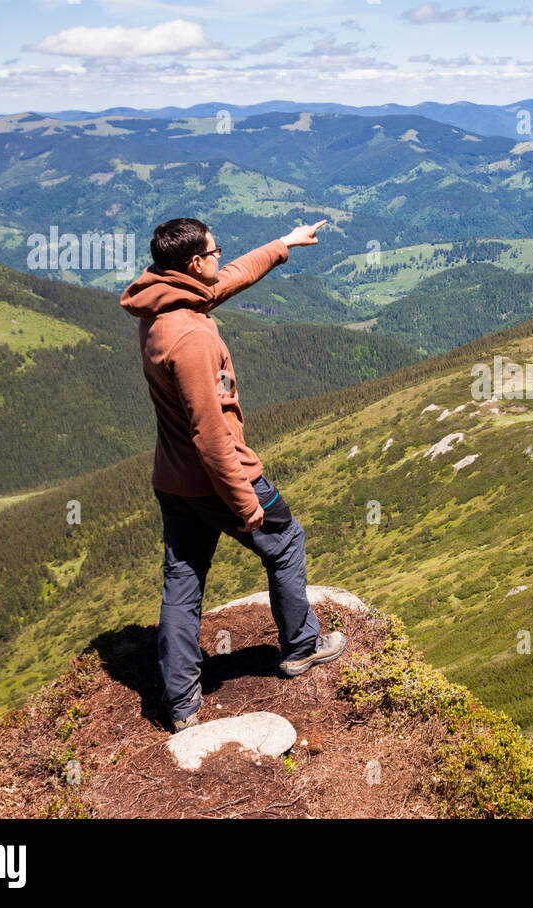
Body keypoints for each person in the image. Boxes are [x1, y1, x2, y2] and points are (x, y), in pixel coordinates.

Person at [120, 217, 346, 732]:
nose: (222, 256)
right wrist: (245, 503)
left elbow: (229, 280)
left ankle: (181, 705)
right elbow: (211, 436)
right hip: (218, 478)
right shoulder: (192, 339)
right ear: (195, 263)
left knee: (182, 583)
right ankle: (301, 648)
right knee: (286, 542)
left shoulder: (163, 304)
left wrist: (283, 244)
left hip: (172, 480)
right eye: (216, 250)